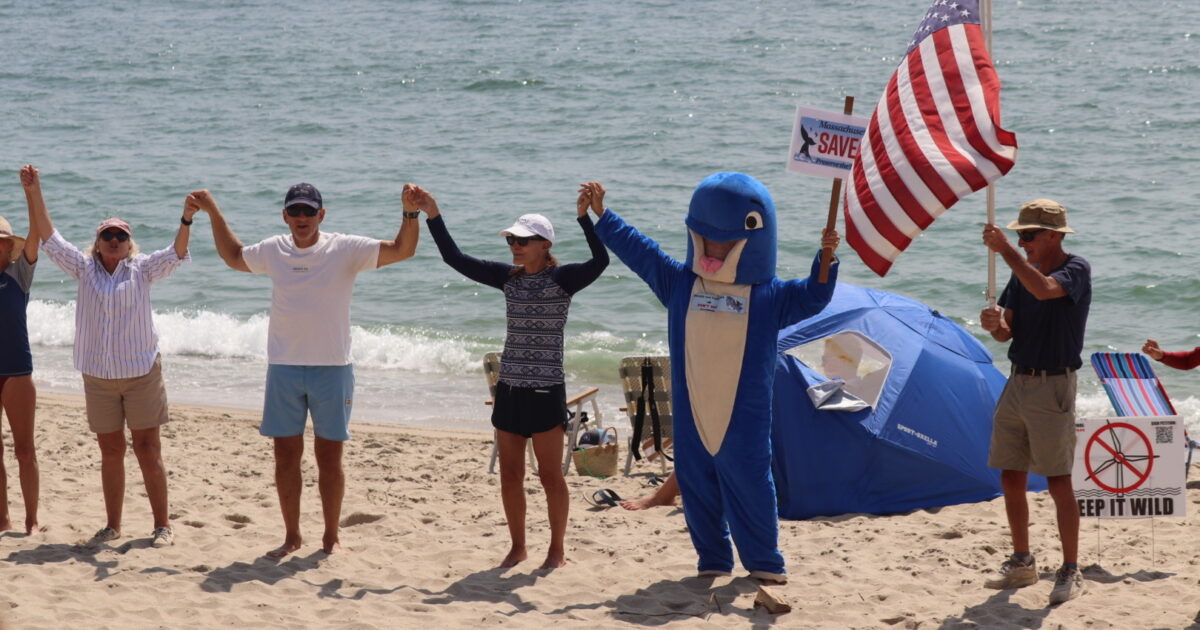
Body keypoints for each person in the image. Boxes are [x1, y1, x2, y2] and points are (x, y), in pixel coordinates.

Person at [591, 171, 840, 584]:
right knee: (696, 482)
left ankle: (764, 561)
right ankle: (712, 559)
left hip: (744, 418)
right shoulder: (680, 283)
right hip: (692, 415)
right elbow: (640, 252)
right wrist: (604, 215)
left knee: (750, 484)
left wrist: (826, 258)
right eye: (709, 239)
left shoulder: (769, 296)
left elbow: (814, 295)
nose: (715, 250)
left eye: (725, 242)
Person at [188, 182, 418, 557]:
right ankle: (292, 536)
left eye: (308, 212)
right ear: (285, 216)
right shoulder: (274, 250)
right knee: (285, 457)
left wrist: (409, 212)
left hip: (333, 368)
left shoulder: (344, 248)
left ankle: (331, 538)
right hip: (284, 368)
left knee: (330, 458)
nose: (301, 219)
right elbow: (233, 256)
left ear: (321, 215)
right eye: (294, 212)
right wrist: (213, 212)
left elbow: (403, 250)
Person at [413, 182, 608, 570]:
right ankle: (518, 547)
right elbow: (455, 258)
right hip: (510, 391)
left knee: (551, 476)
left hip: (544, 390)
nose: (515, 246)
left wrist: (586, 218)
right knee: (510, 475)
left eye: (523, 240)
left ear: (545, 245)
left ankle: (556, 550)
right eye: (512, 241)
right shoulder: (509, 279)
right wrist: (432, 213)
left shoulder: (563, 280)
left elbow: (601, 261)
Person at [29, 166, 194, 548]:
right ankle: (113, 525)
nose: (115, 240)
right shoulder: (83, 268)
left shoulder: (142, 269)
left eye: (122, 236)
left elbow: (178, 253)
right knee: (110, 451)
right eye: (108, 235)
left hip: (141, 373)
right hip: (98, 376)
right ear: (98, 243)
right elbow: (49, 235)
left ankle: (162, 525)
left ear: (130, 244)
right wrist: (35, 190)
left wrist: (186, 218)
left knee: (148, 449)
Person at [979, 198, 1091, 605]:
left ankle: (1070, 568)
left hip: (1053, 384)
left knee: (1058, 479)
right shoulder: (1020, 273)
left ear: (1053, 236)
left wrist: (1005, 251)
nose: (1022, 242)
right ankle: (1022, 560)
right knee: (1011, 473)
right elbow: (1006, 331)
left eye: (1028, 235)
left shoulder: (1074, 269)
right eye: (1020, 235)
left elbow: (1044, 291)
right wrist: (995, 324)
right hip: (1018, 380)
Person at [0, 166, 42, 535]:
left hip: (17, 370)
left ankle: (30, 521)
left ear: (6, 245)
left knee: (24, 450)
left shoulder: (19, 274)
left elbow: (37, 237)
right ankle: (3, 520)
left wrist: (31, 192)